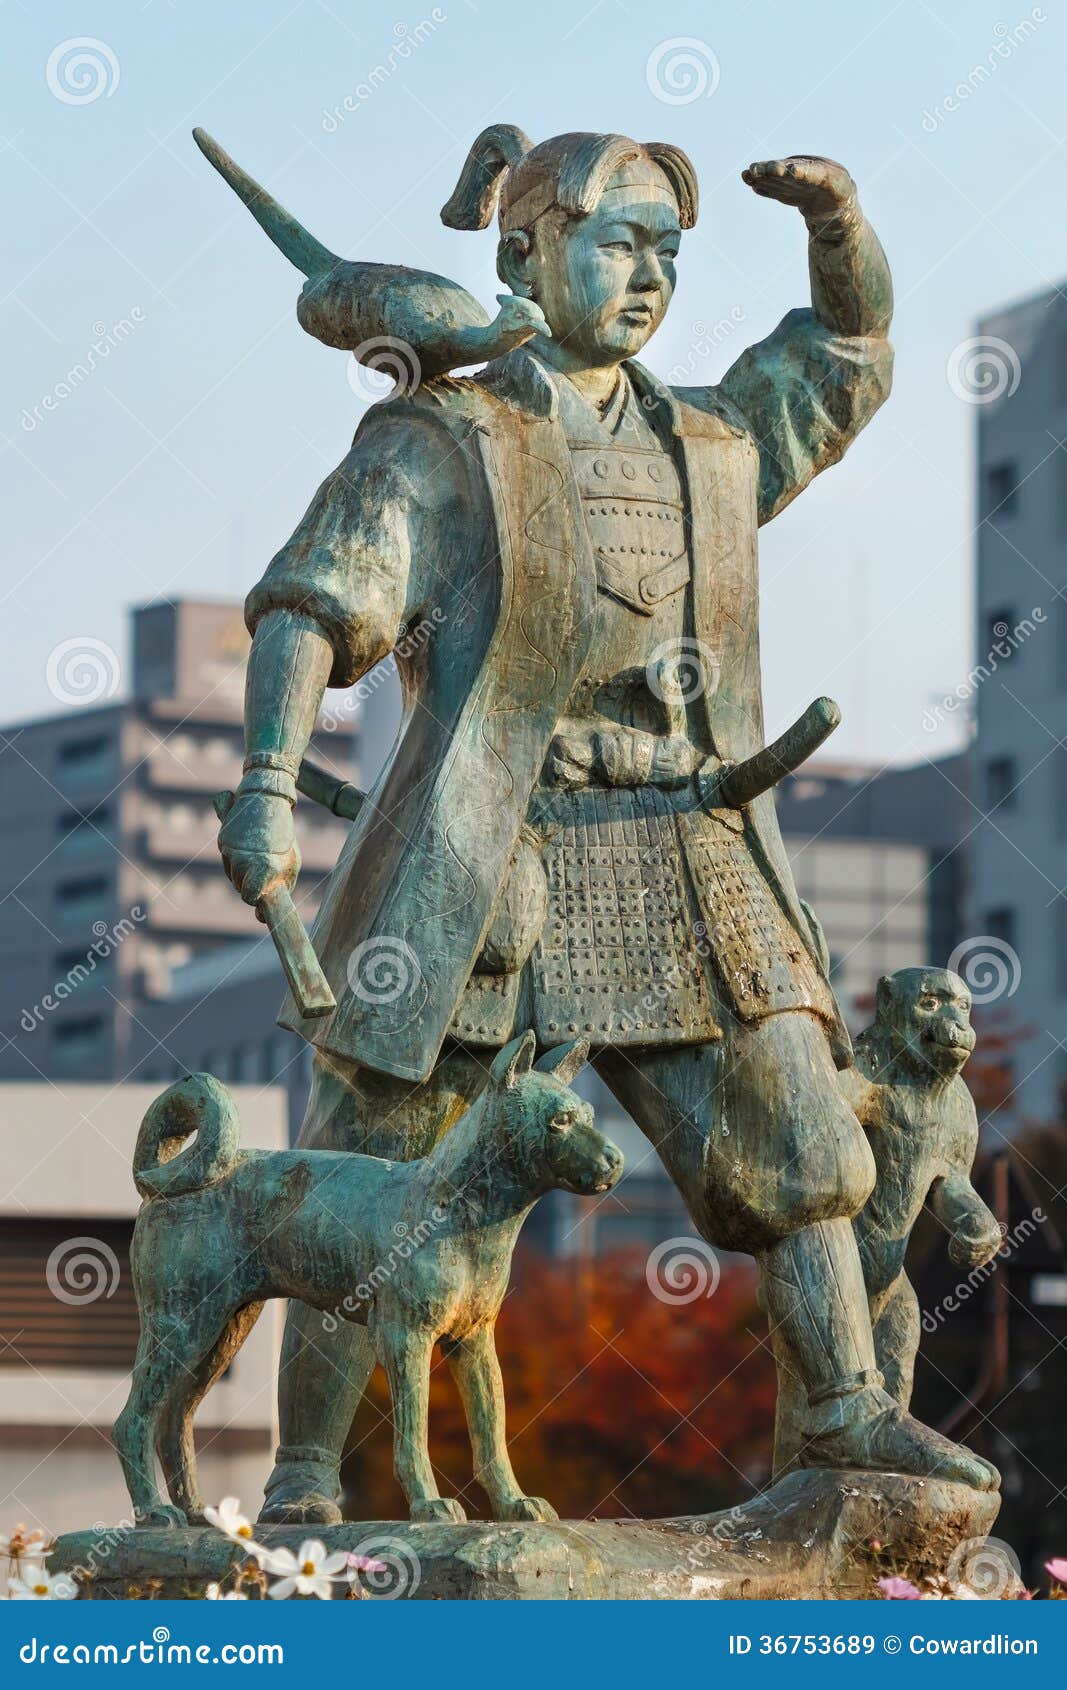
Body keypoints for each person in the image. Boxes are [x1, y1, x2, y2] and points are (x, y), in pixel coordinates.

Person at [218, 129, 997, 1523]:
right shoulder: (445, 441)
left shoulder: (715, 442)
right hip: (493, 846)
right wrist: (267, 782)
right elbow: (313, 604)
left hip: (693, 838)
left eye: (671, 254)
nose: (651, 275)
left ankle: (840, 1415)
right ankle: (300, 1485)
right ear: (522, 249)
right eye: (620, 241)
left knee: (803, 1133)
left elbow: (851, 349)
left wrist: (839, 225)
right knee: (379, 1164)